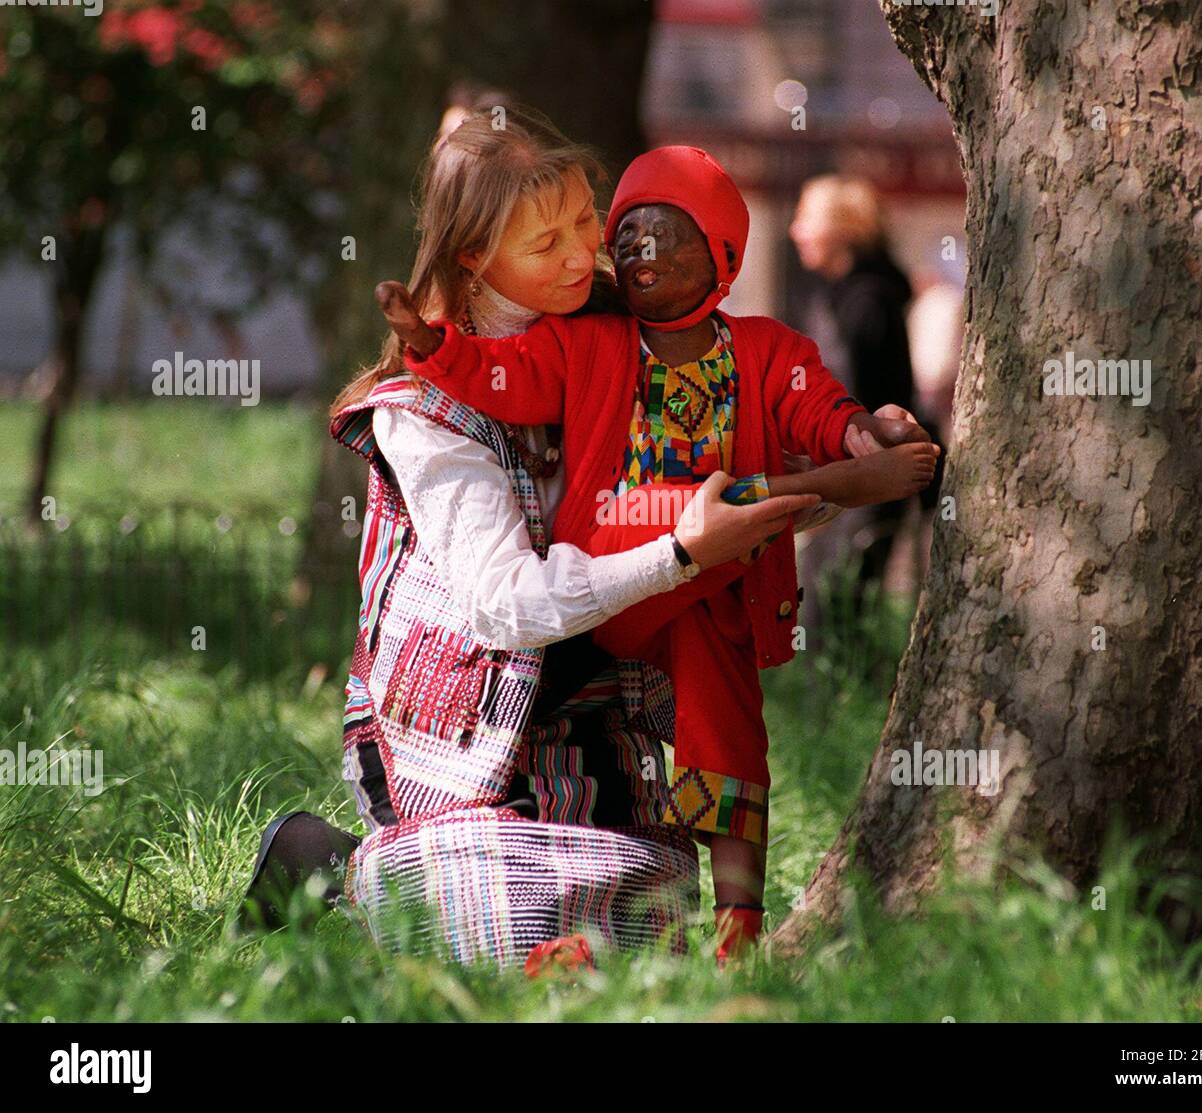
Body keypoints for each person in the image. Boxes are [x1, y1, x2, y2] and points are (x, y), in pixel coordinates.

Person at [243, 108, 824, 970]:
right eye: (544, 241)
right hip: (461, 728)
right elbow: (506, 604)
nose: (582, 253)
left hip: (600, 711)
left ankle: (396, 884)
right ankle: (333, 863)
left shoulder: (631, 335)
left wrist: (846, 437)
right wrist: (681, 554)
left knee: (643, 930)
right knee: (507, 930)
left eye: (586, 220)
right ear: (474, 257)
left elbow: (746, 407)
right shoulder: (422, 413)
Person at [386, 146, 937, 961]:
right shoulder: (586, 348)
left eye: (650, 234)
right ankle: (839, 487)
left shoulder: (762, 349)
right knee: (725, 510)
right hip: (584, 592)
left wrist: (861, 431)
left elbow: (816, 404)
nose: (625, 253)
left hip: (681, 618)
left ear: (721, 255)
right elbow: (505, 377)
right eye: (628, 235)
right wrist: (435, 351)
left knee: (726, 712)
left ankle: (736, 931)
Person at [789, 174, 942, 609]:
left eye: (805, 218)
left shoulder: (866, 304)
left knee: (834, 611)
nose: (795, 231)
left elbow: (875, 402)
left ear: (842, 229)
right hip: (846, 481)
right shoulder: (844, 298)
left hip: (862, 487)